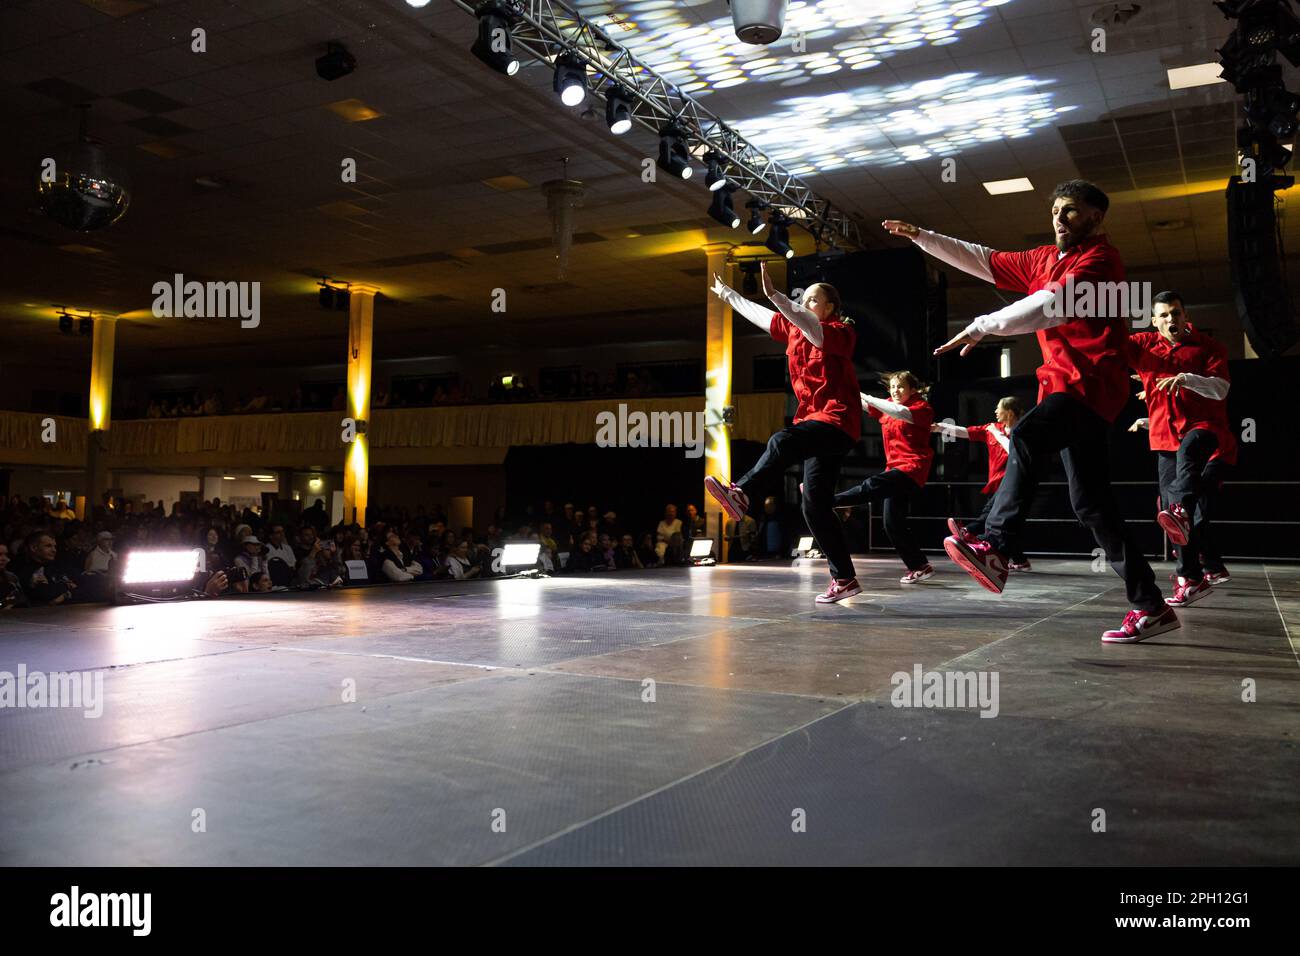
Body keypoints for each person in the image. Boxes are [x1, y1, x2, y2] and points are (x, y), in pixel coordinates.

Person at [888, 179, 1176, 643]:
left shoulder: (1102, 262)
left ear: (1096, 218)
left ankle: (996, 544)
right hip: (1063, 388)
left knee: (1024, 436)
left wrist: (983, 325)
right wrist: (923, 237)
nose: (1060, 219)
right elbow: (983, 259)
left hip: (1092, 386)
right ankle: (1152, 606)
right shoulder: (1043, 258)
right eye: (1057, 211)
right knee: (1092, 505)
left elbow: (1051, 306)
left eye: (1072, 212)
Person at [705, 262, 861, 603]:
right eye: (802, 298)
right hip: (813, 420)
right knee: (814, 506)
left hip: (837, 421)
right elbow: (762, 316)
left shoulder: (841, 332)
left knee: (781, 441)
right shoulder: (793, 328)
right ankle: (845, 578)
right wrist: (728, 294)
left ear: (830, 307)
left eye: (812, 299)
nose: (805, 303)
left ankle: (742, 492)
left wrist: (777, 295)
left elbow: (810, 327)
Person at [1126, 291, 1236, 604]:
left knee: (1185, 480)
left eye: (1176, 313)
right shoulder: (1144, 345)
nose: (1171, 319)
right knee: (1176, 518)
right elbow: (1110, 345)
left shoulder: (1209, 347)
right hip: (1163, 436)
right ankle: (1191, 578)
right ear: (1154, 321)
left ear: (1185, 316)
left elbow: (1221, 388)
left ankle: (1181, 512)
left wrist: (1185, 378)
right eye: (1164, 315)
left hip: (1203, 428)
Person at [831, 371, 937, 584]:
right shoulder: (887, 406)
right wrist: (844, 388)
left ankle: (832, 500)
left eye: (900, 387)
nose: (895, 391)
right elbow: (863, 403)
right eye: (893, 387)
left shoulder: (921, 409)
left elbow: (899, 412)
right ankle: (919, 566)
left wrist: (868, 397)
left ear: (912, 389)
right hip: (894, 468)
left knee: (872, 485)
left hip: (911, 468)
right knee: (892, 523)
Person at [933, 396, 1032, 571]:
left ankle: (968, 531)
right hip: (997, 483)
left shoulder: (1023, 430)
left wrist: (997, 434)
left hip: (1015, 482)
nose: (995, 411)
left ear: (1009, 412)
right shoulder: (991, 429)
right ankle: (1020, 560)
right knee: (1006, 523)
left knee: (992, 513)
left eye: (998, 408)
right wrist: (939, 427)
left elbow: (1014, 450)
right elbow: (965, 431)